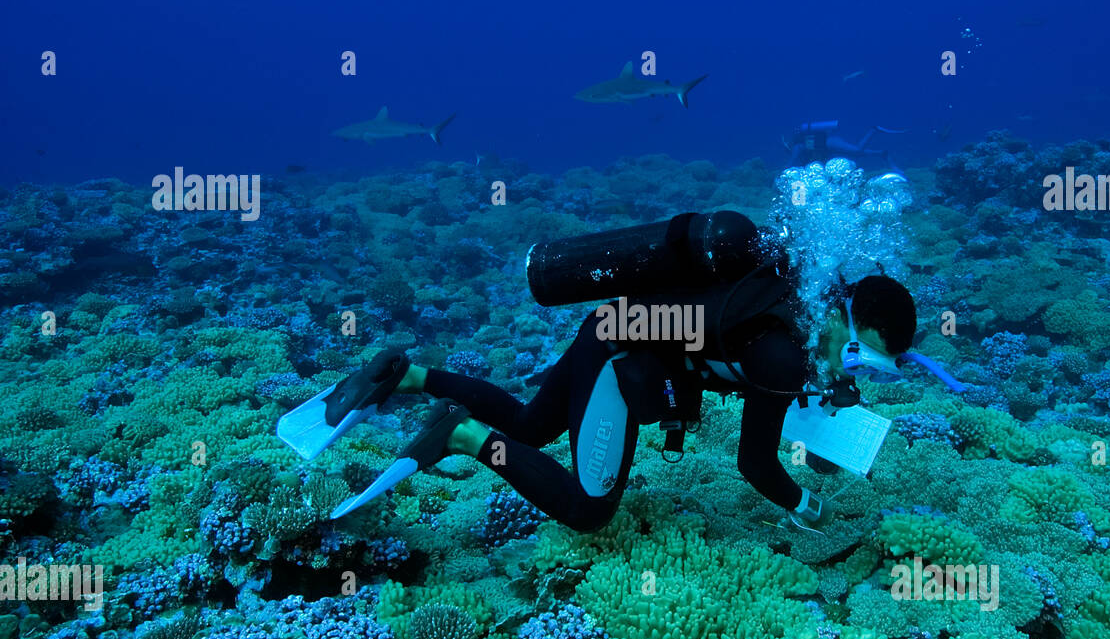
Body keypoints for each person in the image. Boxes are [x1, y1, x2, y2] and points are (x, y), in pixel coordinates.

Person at [277, 212, 920, 533]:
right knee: (589, 512)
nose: (852, 367)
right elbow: (755, 463)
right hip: (617, 356)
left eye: (871, 366)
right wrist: (808, 504)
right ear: (840, 312)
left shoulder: (788, 295)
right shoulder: (782, 354)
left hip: (606, 330)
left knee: (530, 424)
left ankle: (410, 374)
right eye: (857, 350)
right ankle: (461, 435)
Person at [784, 120, 904, 168]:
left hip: (830, 143)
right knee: (857, 154)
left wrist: (780, 175)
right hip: (828, 147)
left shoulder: (796, 147)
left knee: (857, 151)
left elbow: (790, 163)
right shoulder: (801, 146)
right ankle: (882, 154)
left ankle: (874, 130)